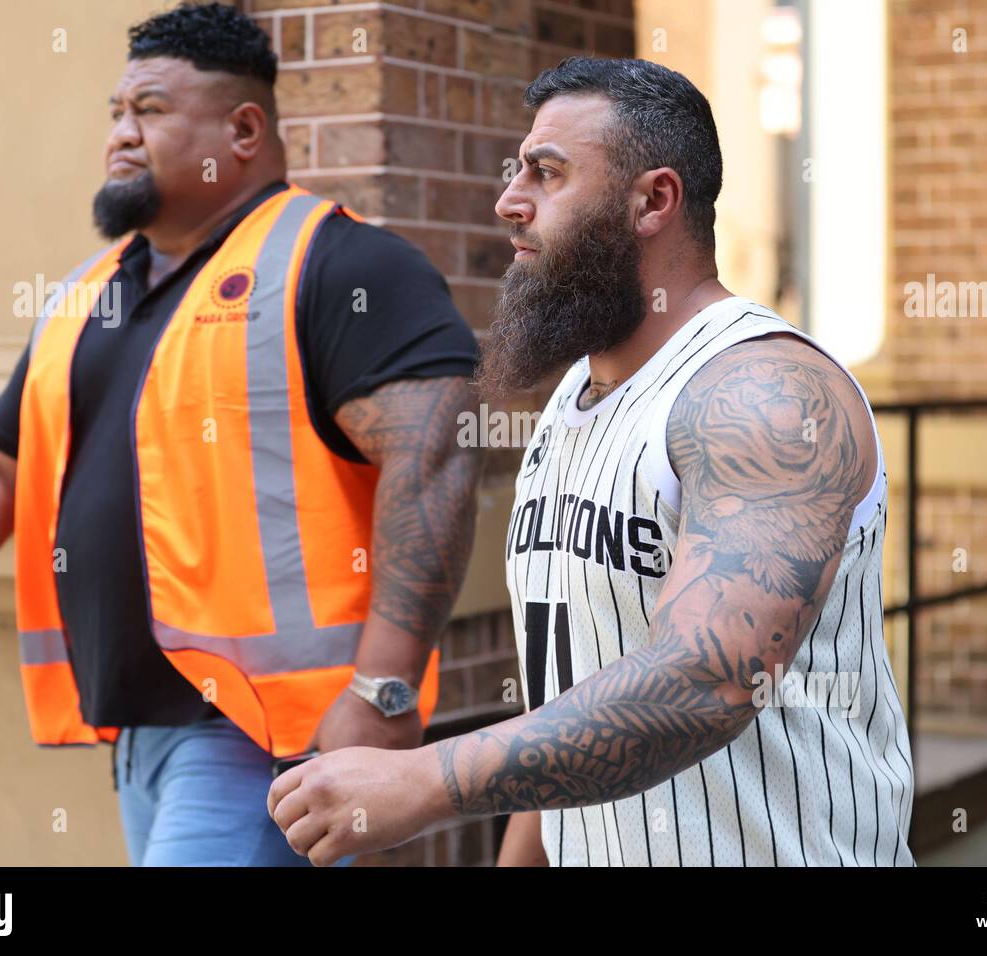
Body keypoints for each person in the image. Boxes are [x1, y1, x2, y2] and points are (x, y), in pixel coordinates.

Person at [0, 2, 482, 867]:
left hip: (268, 737)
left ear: (242, 127)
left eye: (149, 110)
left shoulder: (345, 264)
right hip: (137, 733)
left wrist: (382, 689)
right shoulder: (88, 293)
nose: (121, 133)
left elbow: (434, 458)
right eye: (116, 113)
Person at [269, 56, 915, 867]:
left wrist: (427, 780)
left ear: (654, 200)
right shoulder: (577, 396)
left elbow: (702, 680)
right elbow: (572, 693)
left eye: (546, 173)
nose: (510, 201)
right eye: (519, 172)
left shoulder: (766, 392)